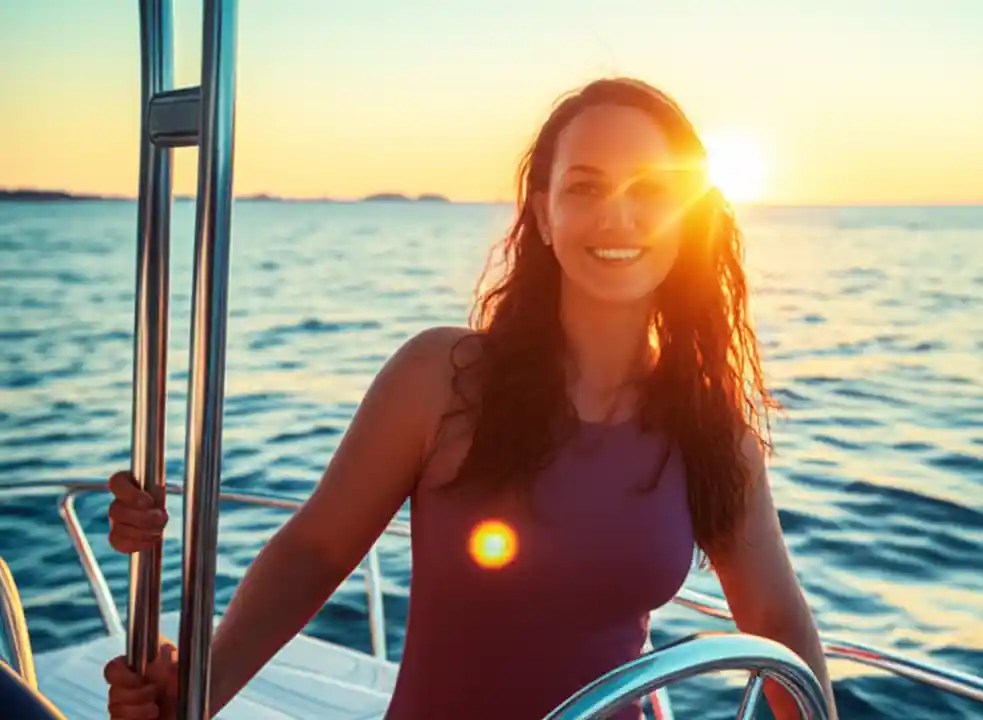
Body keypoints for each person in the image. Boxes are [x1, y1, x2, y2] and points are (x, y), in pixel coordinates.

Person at [103, 77, 838, 720]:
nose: (619, 216)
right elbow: (314, 552)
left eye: (652, 190)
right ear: (544, 216)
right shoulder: (442, 379)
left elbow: (776, 619)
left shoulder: (710, 428)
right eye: (585, 186)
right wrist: (198, 694)